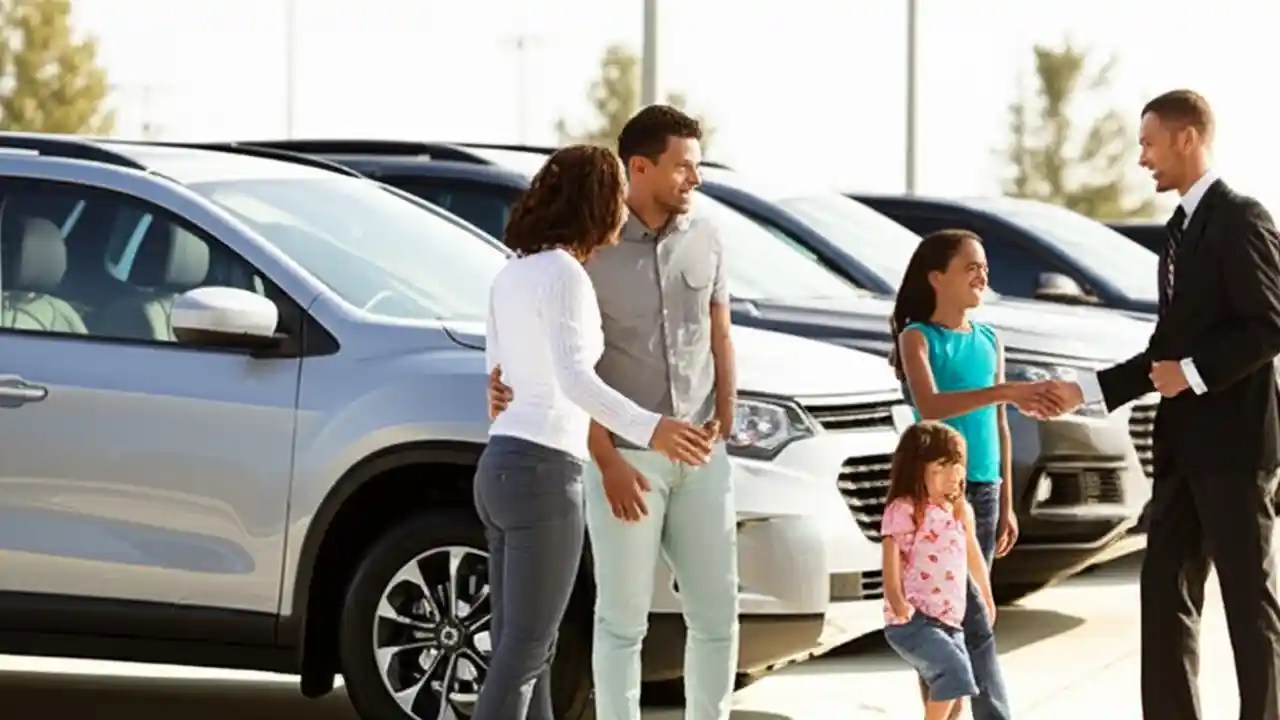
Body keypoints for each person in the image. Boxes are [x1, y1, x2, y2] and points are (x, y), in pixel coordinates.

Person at [489, 104, 739, 719]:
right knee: (588, 630)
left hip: (687, 453)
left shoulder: (706, 236)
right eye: (684, 167)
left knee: (713, 615)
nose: (696, 180)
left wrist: (723, 421)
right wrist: (617, 453)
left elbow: (720, 329)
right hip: (599, 460)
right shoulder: (578, 264)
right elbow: (575, 376)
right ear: (637, 170)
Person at [1046, 90, 1280, 719]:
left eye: (1149, 143)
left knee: (1248, 605)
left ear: (1186, 138)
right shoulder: (1177, 230)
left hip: (1235, 454)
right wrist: (1086, 392)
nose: (1142, 157)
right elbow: (1164, 352)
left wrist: (1196, 374)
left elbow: (1268, 325)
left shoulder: (1241, 218)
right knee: (1164, 595)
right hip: (1180, 451)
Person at [890, 228, 1056, 720]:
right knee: (963, 617)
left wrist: (1006, 502)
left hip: (981, 492)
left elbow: (1000, 427)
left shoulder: (989, 339)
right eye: (971, 267)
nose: (983, 275)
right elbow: (932, 405)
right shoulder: (917, 338)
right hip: (933, 499)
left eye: (984, 266)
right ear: (937, 277)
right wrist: (1002, 391)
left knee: (964, 615)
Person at [881, 421, 999, 720]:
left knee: (956, 698)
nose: (952, 476)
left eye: (957, 466)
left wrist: (986, 596)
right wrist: (896, 599)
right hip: (914, 620)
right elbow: (891, 559)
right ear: (916, 468)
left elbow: (973, 556)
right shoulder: (904, 509)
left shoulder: (959, 511)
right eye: (940, 467)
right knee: (956, 673)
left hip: (951, 620)